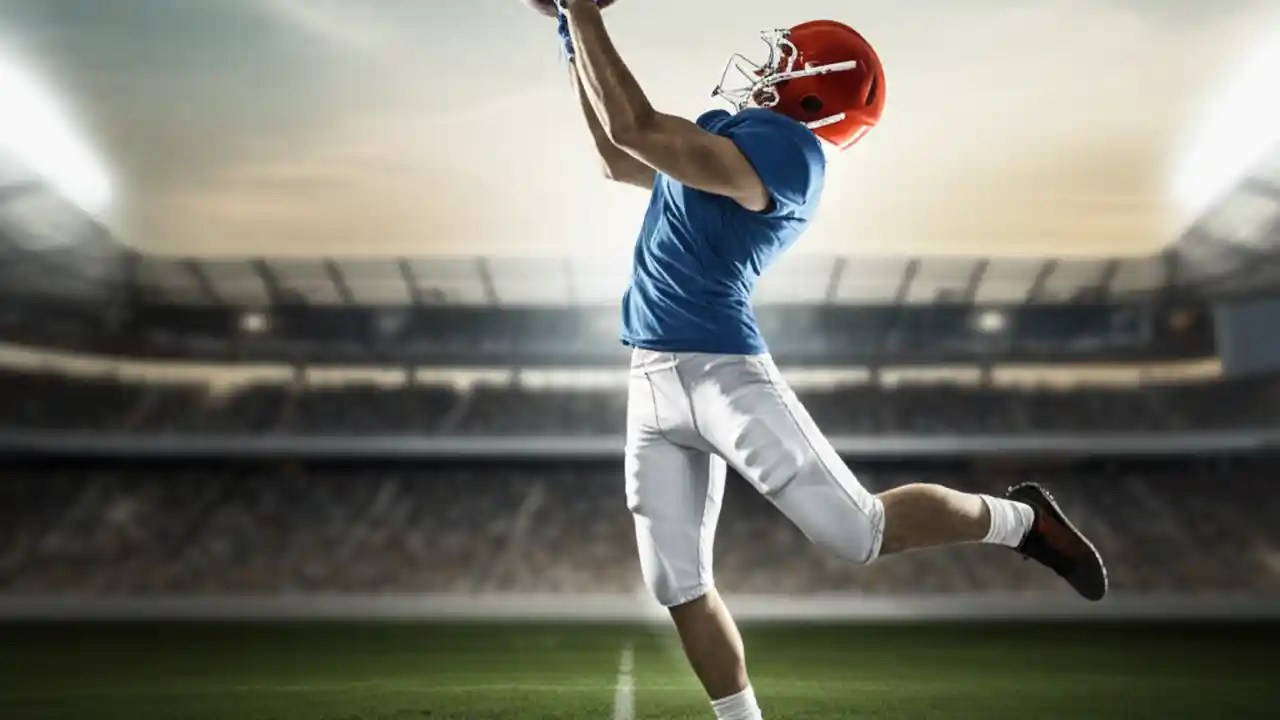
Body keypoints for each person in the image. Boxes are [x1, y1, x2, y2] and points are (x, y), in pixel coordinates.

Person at [550, 2, 1107, 718]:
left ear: (816, 88)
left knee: (858, 533)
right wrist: (568, 31)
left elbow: (638, 127)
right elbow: (614, 152)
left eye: (785, 60)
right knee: (677, 583)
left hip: (722, 371)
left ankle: (1020, 521)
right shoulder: (725, 138)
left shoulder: (793, 154)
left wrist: (582, 9)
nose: (765, 67)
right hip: (650, 377)